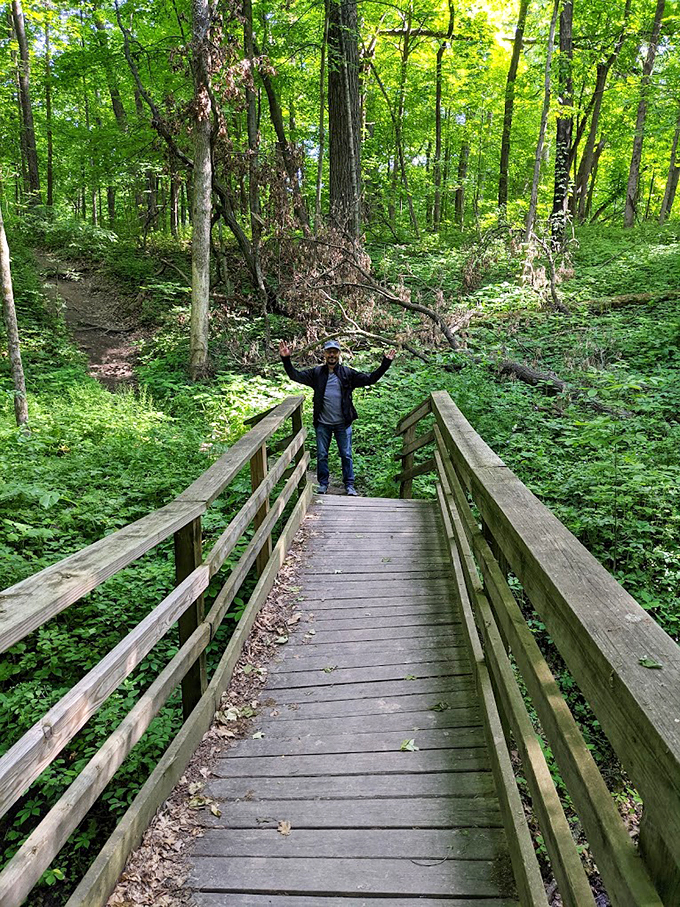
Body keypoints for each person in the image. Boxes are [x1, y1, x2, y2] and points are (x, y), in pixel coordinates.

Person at [279, 339, 396, 495]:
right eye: (329, 352)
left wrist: (386, 363)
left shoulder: (347, 374)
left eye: (334, 352)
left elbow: (370, 379)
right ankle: (323, 484)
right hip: (323, 423)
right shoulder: (316, 373)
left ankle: (349, 485)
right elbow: (295, 376)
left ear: (339, 354)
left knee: (346, 455)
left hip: (343, 423)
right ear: (325, 354)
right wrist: (286, 359)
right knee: (321, 455)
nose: (332, 355)